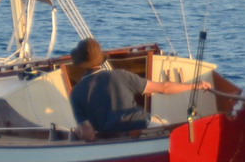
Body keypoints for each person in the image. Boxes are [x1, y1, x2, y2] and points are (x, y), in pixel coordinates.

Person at [69, 37, 215, 141]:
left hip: (113, 138)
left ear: (78, 64)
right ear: (100, 60)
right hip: (143, 126)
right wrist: (195, 85)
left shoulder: (76, 93)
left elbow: (89, 135)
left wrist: (77, 133)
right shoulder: (121, 75)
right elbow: (164, 88)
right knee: (169, 128)